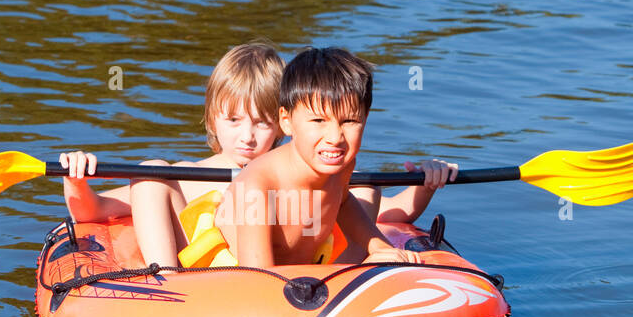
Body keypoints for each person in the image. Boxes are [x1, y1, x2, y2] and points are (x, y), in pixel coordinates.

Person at [59, 42, 284, 266]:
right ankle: (165, 278)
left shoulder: (291, 179)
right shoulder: (185, 177)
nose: (247, 136)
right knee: (150, 173)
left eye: (262, 123)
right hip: (188, 289)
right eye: (234, 120)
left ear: (282, 125)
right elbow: (94, 211)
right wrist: (75, 181)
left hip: (261, 287)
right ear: (213, 118)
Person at [209, 47, 427, 267]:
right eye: (318, 121)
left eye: (349, 121)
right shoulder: (258, 186)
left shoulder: (341, 165)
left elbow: (342, 202)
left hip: (302, 272)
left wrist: (379, 246)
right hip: (236, 278)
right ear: (286, 121)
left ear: (365, 117)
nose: (335, 137)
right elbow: (258, 278)